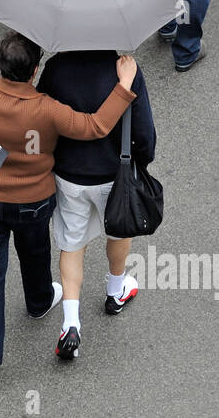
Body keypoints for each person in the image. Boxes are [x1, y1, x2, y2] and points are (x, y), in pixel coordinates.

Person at [0, 34, 138, 380]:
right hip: (31, 201)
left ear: (0, 64)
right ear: (36, 68)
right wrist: (123, 87)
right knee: (34, 247)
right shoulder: (46, 108)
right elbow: (96, 126)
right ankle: (39, 300)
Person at [37, 51, 157, 360]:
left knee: (72, 244)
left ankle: (71, 323)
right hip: (113, 173)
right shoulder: (125, 68)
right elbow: (143, 131)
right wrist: (143, 160)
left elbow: (42, 117)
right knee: (118, 230)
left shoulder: (55, 67)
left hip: (69, 174)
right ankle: (115, 291)